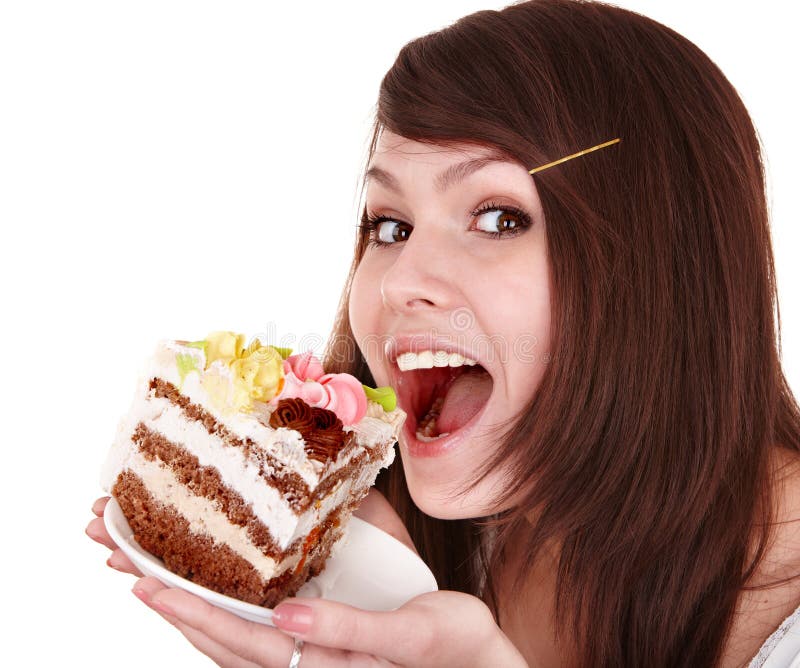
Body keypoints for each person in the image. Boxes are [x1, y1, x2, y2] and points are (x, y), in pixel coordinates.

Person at [85, 0, 800, 665]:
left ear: (665, 261)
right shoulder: (416, 547)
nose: (398, 281)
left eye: (498, 218)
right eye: (389, 226)